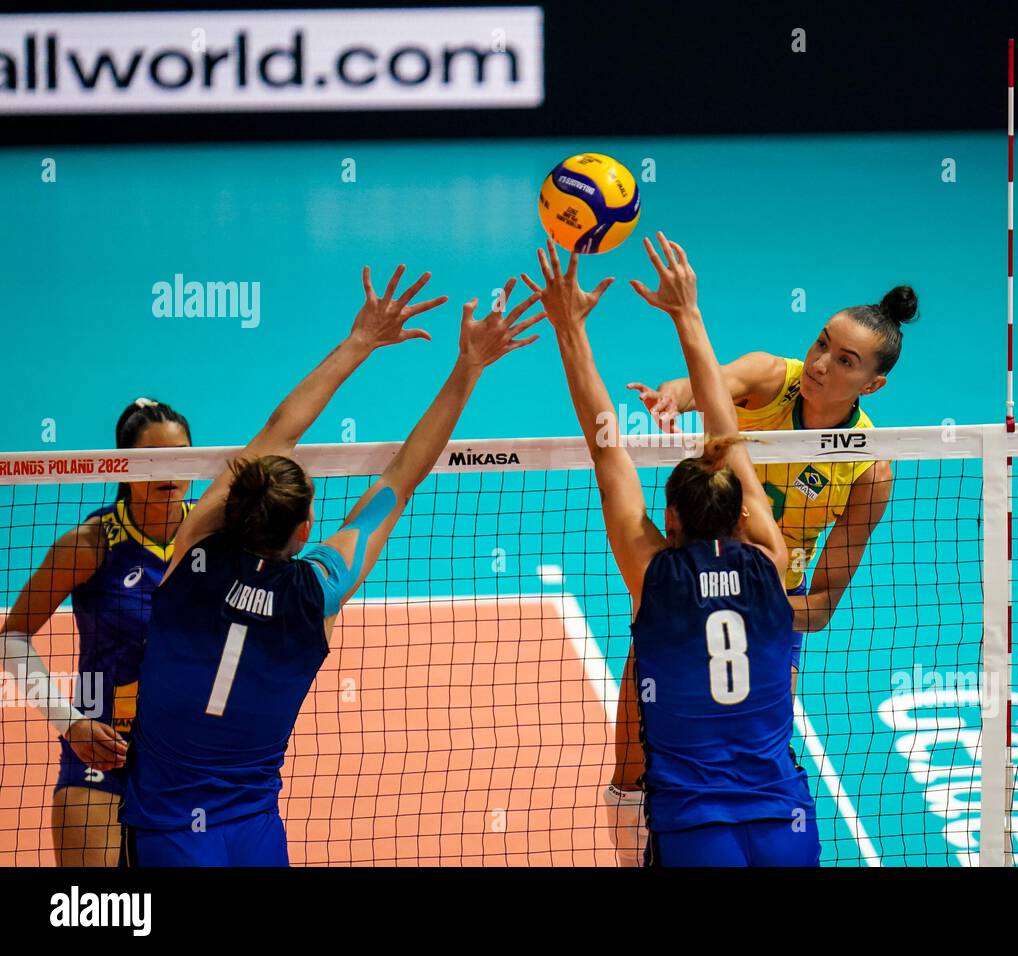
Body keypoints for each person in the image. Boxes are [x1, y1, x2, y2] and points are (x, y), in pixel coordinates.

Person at [118, 266, 542, 866]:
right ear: (305, 532)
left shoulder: (192, 550)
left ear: (235, 506)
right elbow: (403, 475)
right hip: (254, 832)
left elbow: (279, 430)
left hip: (168, 832)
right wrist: (468, 366)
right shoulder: (319, 590)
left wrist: (359, 341)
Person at [523, 233, 819, 865]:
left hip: (693, 825)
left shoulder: (654, 574)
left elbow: (607, 449)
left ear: (669, 518)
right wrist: (688, 313)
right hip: (783, 815)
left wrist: (569, 328)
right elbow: (725, 431)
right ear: (745, 511)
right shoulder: (772, 560)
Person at [608, 272, 918, 863]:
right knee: (632, 755)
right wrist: (675, 393)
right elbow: (714, 386)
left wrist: (764, 612)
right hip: (686, 581)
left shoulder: (869, 470)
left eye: (845, 360)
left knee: (751, 756)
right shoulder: (771, 379)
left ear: (872, 385)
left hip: (772, 602)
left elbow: (823, 602)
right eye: (822, 342)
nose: (821, 362)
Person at [0, 397, 193, 866]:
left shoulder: (213, 538)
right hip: (100, 750)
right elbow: (11, 637)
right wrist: (70, 723)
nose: (168, 473)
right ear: (125, 468)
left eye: (180, 457)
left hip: (187, 756)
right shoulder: (89, 546)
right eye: (152, 461)